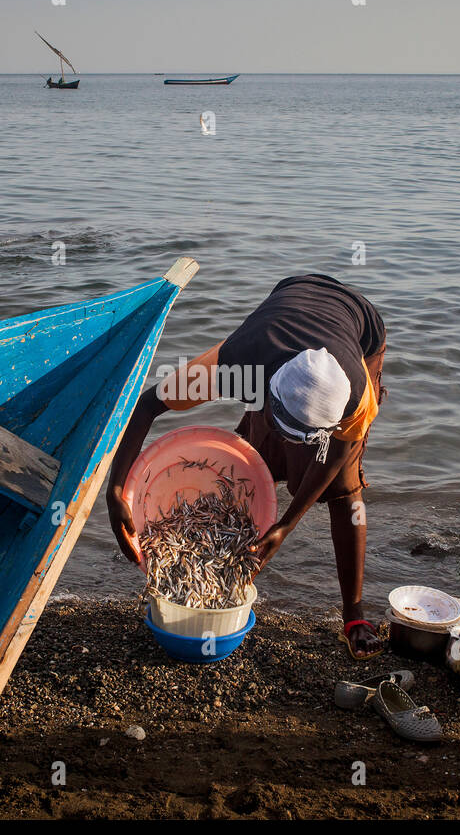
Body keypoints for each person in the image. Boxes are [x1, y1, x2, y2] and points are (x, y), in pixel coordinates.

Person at [107, 274, 388, 659]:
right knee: (251, 463)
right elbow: (146, 405)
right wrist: (116, 490)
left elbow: (339, 451)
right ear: (265, 390)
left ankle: (353, 615)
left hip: (361, 327)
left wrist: (287, 524)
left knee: (343, 486)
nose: (292, 439)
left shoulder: (355, 396)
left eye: (305, 435)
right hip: (290, 299)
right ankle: (232, 553)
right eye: (280, 422)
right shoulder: (236, 365)